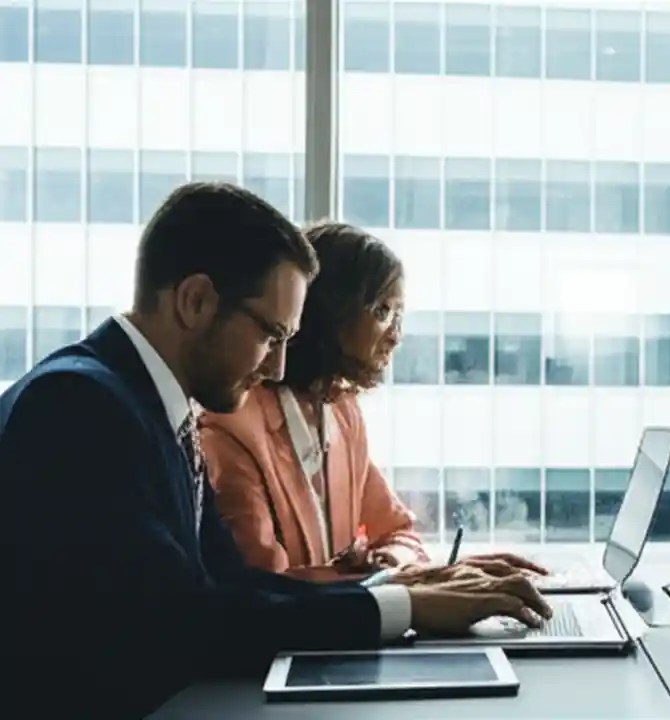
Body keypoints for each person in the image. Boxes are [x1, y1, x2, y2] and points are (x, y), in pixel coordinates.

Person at [0, 183, 551, 717]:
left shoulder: (146, 405)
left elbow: (232, 587)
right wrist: (400, 605)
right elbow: (186, 622)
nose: (279, 366)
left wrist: (409, 591)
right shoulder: (80, 405)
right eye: (271, 335)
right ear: (194, 302)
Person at [201, 222, 429, 581]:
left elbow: (400, 533)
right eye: (382, 312)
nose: (395, 337)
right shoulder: (231, 428)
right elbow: (266, 585)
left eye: (398, 316)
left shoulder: (342, 411)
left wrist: (388, 561)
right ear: (332, 310)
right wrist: (395, 583)